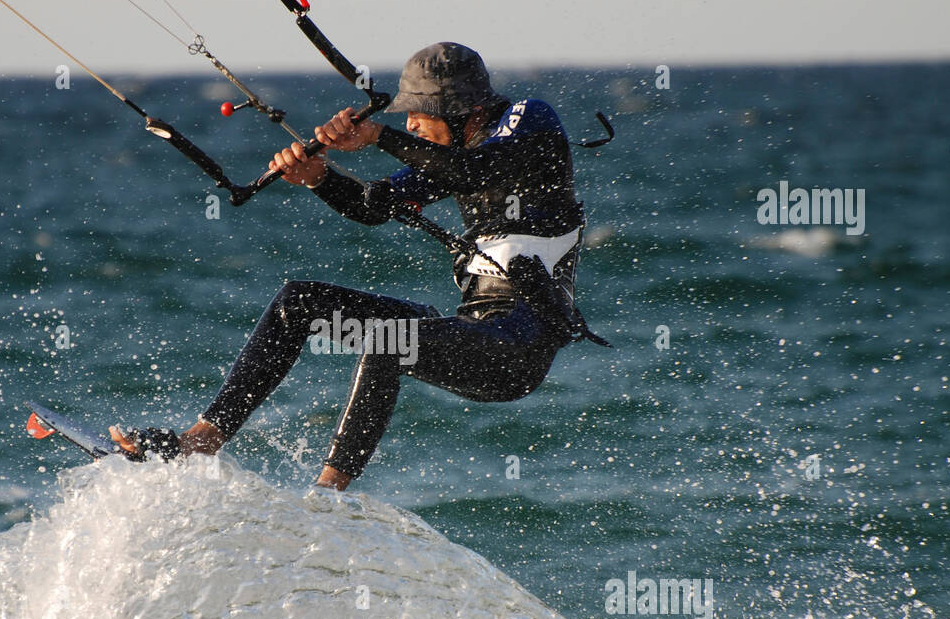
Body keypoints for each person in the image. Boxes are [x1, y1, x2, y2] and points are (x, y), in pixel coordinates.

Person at [110, 42, 599, 489]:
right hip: (469, 328)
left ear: (463, 112)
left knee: (388, 342)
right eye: (404, 116)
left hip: (517, 345)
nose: (410, 124)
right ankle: (199, 441)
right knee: (298, 303)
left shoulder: (529, 120)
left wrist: (375, 135)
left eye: (419, 115)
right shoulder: (449, 154)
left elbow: (475, 170)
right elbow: (375, 206)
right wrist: (321, 178)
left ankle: (325, 499)